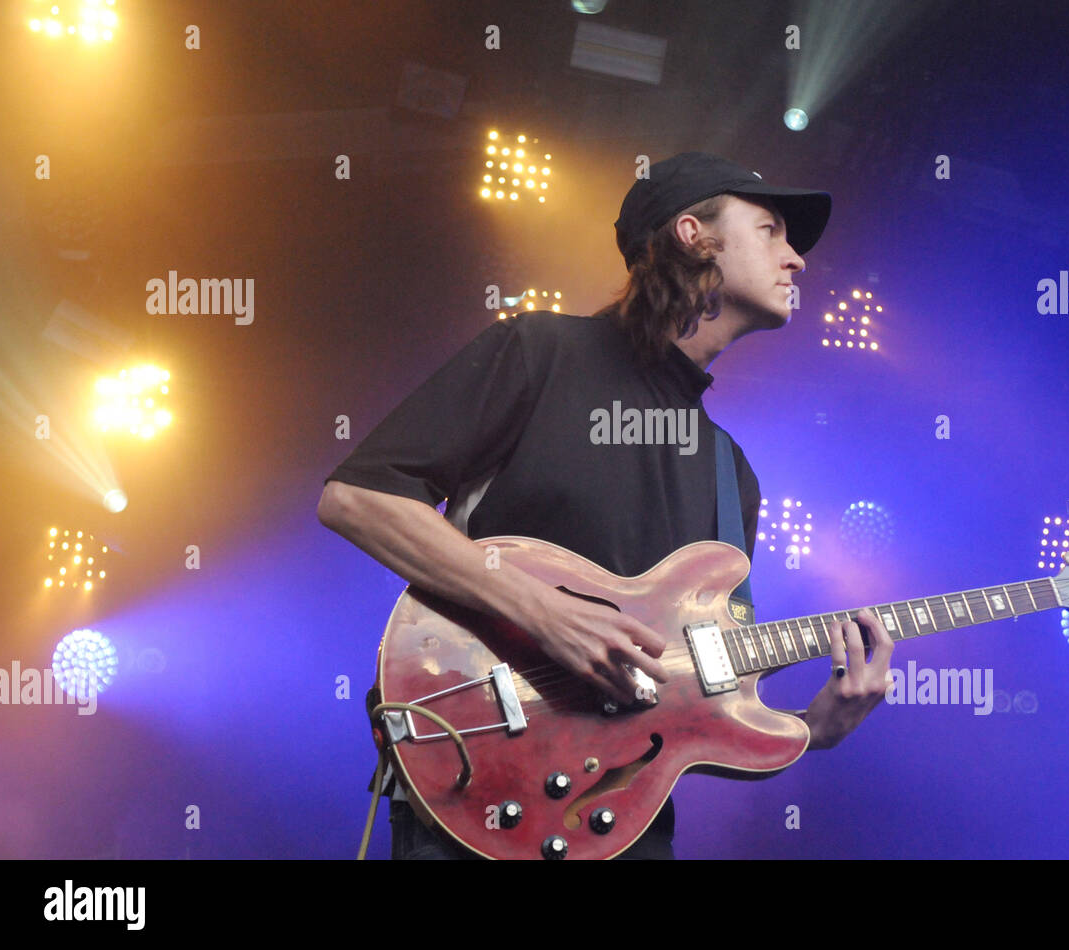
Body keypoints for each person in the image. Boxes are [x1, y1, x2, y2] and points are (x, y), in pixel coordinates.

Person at [317, 152, 894, 859]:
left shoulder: (729, 473)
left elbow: (704, 686)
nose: (798, 259)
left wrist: (813, 726)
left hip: (616, 825)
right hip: (473, 792)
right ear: (693, 234)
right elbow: (357, 497)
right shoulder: (540, 353)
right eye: (771, 230)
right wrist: (544, 614)